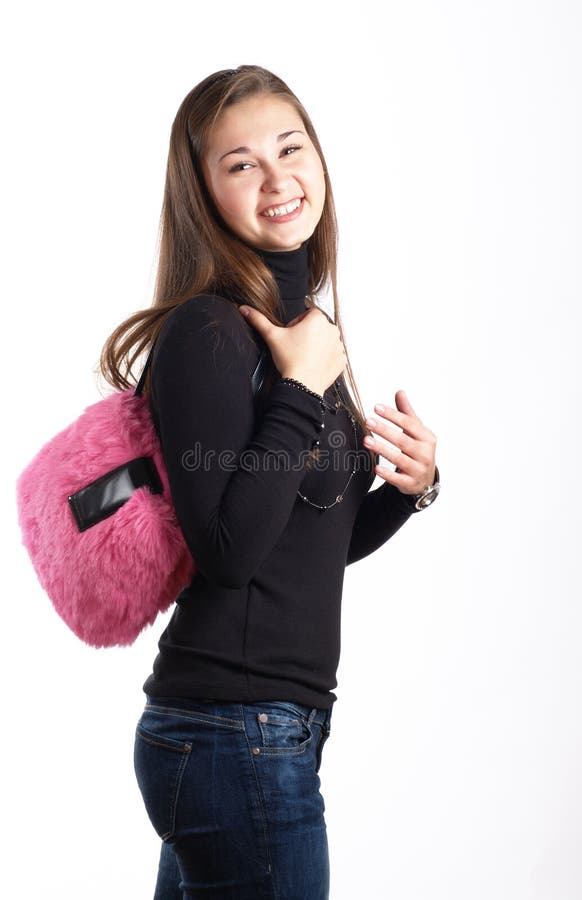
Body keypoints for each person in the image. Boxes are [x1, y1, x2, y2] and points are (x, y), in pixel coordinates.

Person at [100, 64, 439, 900]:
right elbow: (226, 550)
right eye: (241, 163)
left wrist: (408, 488)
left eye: (291, 148)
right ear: (203, 194)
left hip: (254, 731)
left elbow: (306, 542)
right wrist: (297, 388)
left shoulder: (302, 327)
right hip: (230, 730)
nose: (278, 177)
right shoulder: (209, 332)